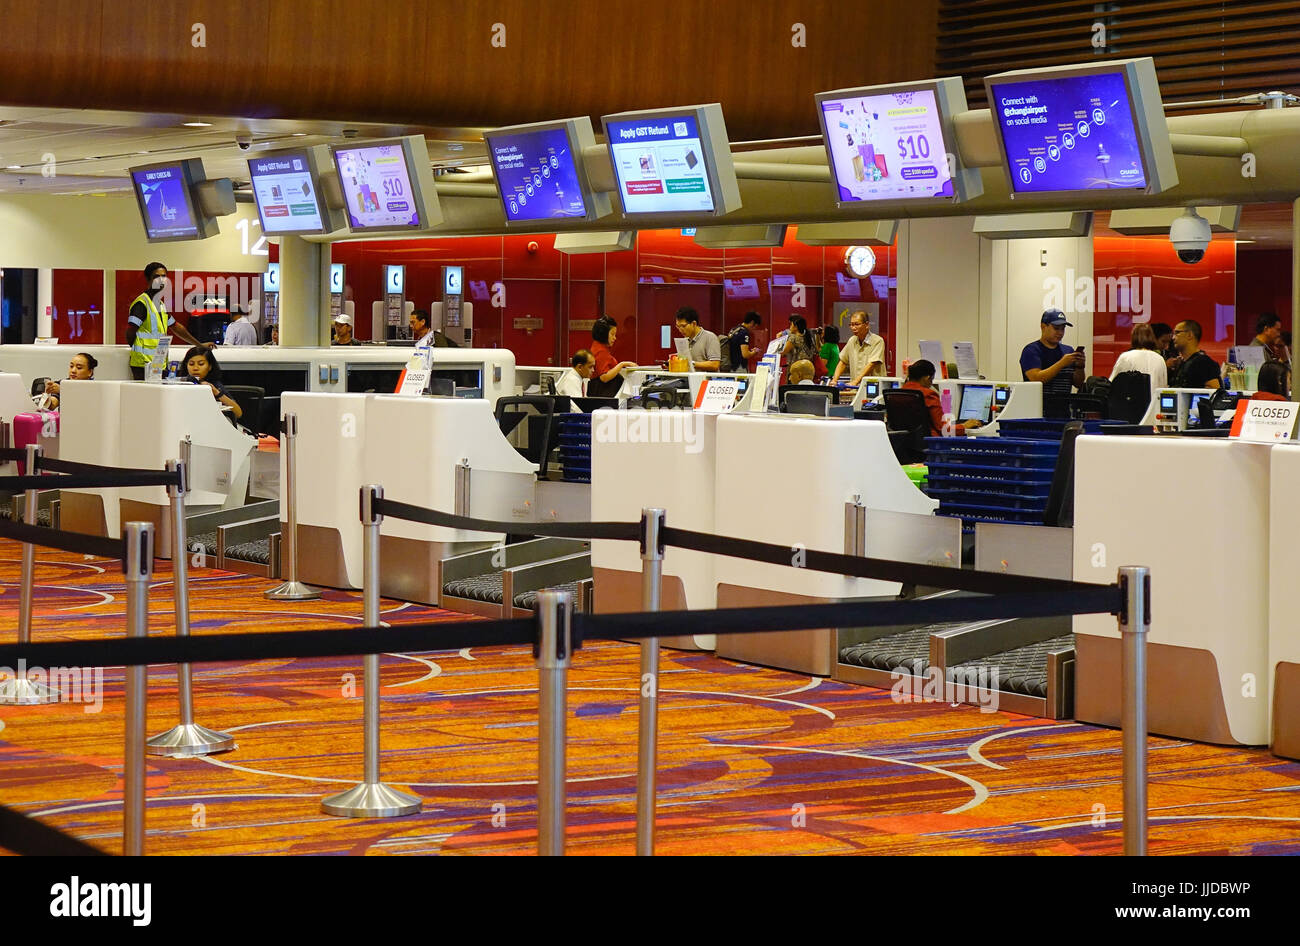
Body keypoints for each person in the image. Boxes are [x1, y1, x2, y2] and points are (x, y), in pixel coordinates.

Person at [126, 262, 207, 380]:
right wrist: (139, 353)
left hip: (158, 362)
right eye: (156, 277)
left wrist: (199, 345)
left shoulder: (160, 305)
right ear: (148, 279)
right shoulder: (142, 303)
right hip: (143, 364)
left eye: (164, 276)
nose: (161, 280)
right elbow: (130, 332)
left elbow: (176, 327)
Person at [900, 360, 981, 436]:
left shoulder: (899, 393)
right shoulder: (929, 395)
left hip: (903, 444)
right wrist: (964, 426)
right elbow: (944, 429)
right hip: (930, 443)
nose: (931, 385)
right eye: (931, 380)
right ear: (927, 378)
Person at [1020, 308, 1083, 395]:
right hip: (1038, 407)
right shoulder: (1031, 350)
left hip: (1064, 406)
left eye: (1063, 329)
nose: (1060, 333)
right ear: (1043, 327)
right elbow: (1036, 379)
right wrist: (1061, 363)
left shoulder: (1068, 351)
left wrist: (1080, 367)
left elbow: (1078, 384)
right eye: (1056, 328)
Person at [1109, 323, 1168, 404]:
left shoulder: (1126, 357)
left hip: (1130, 407)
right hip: (1153, 408)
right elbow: (1163, 387)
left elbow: (1112, 383)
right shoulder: (1160, 359)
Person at [180, 345, 242, 420]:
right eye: (191, 364)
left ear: (210, 366)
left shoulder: (215, 385)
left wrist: (217, 393)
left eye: (201, 364)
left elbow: (238, 413)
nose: (195, 368)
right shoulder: (181, 384)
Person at [830, 310, 885, 385]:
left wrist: (855, 382)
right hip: (855, 387)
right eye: (851, 325)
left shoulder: (878, 341)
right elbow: (843, 361)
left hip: (872, 386)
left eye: (856, 324)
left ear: (867, 324)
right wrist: (834, 380)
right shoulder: (852, 340)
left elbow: (871, 364)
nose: (853, 328)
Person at [588, 315, 637, 397]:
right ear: (603, 334)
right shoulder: (600, 351)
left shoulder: (599, 347)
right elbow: (604, 377)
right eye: (612, 334)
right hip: (602, 393)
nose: (615, 338)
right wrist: (622, 364)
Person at [1169, 319, 1221, 389]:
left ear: (1189, 335)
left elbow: (1214, 390)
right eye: (1173, 334)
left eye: (1177, 333)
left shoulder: (1203, 362)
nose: (1173, 338)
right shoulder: (1181, 363)